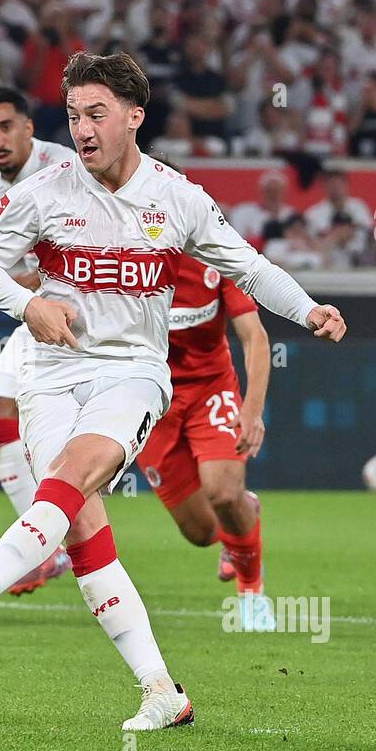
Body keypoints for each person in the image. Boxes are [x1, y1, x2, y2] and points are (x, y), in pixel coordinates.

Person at [0, 51, 346, 732]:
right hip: (50, 371)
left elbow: (250, 265)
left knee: (69, 477)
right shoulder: (46, 191)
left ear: (134, 116)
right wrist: (26, 305)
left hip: (133, 372)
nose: (83, 128)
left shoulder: (176, 198)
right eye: (72, 115)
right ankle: (162, 691)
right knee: (78, 526)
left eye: (97, 113)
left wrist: (307, 310)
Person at [0, 85, 76, 595]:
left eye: (5, 126)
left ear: (29, 128)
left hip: (90, 308)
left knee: (69, 446)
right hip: (41, 308)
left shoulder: (68, 166)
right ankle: (49, 550)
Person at [134, 256, 276, 631]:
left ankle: (251, 591)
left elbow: (254, 336)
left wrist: (252, 411)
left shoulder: (218, 253)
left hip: (210, 389)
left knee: (224, 492)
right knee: (201, 532)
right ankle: (243, 518)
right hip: (150, 399)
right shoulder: (125, 254)